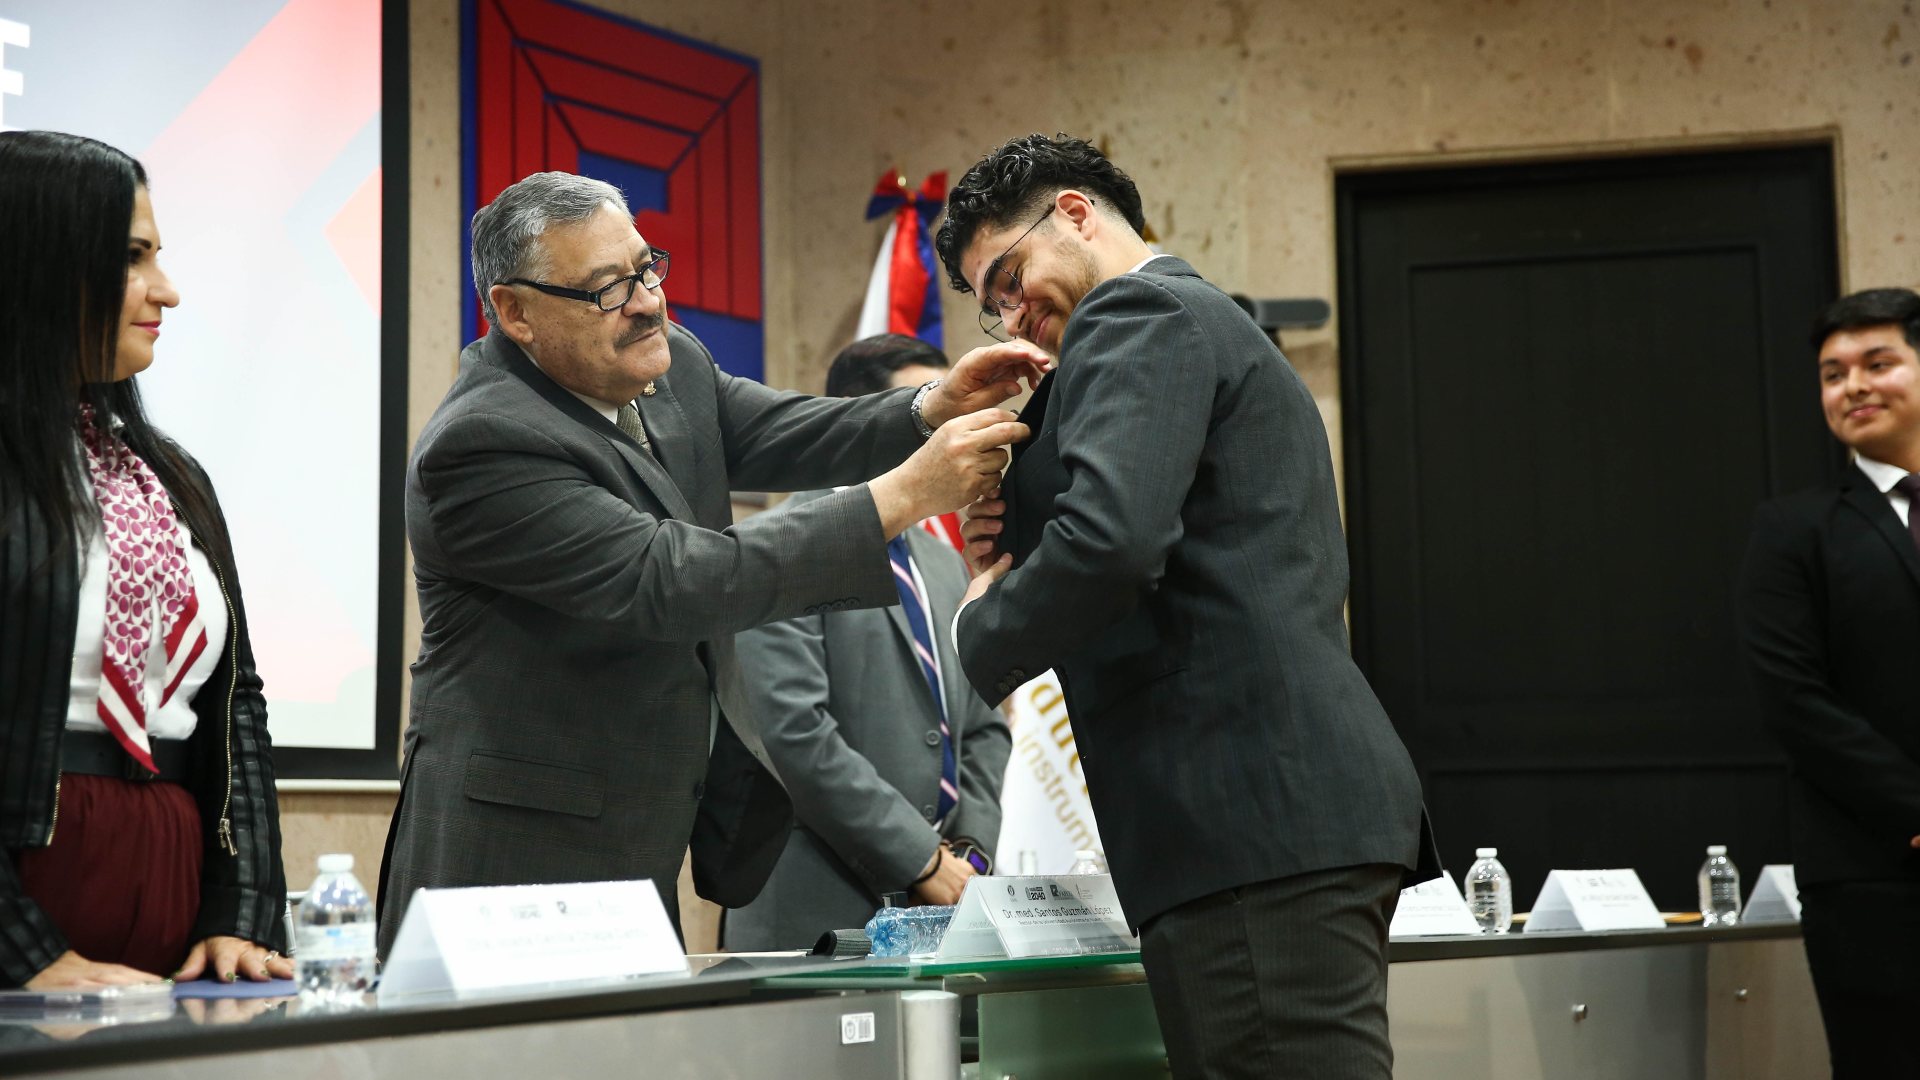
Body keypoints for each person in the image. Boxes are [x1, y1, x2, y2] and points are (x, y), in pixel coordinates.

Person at [379, 173, 1044, 953]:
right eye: (606, 289)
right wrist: (902, 496)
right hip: (510, 858)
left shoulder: (666, 365)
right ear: (514, 311)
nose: (646, 303)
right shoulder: (481, 443)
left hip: (639, 839)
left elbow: (783, 431)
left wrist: (929, 407)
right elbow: (675, 578)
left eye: (646, 268)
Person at [934, 134, 1430, 1079]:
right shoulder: (1188, 319)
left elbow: (1112, 543)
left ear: (1074, 213)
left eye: (1009, 278)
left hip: (1245, 816)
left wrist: (979, 624)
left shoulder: (1139, 310)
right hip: (1269, 815)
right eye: (989, 304)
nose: (1009, 316)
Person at [0, 131, 289, 989]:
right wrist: (24, 955)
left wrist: (240, 914)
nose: (167, 289)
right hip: (33, 893)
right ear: (37, 259)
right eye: (132, 257)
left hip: (174, 890)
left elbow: (237, 703)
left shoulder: (170, 474)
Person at [722, 335, 1011, 951]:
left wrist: (969, 853)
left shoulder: (944, 562)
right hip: (818, 910)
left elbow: (985, 723)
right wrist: (920, 860)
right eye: (929, 416)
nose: (947, 438)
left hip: (953, 907)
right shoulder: (778, 546)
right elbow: (793, 733)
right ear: (864, 421)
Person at [1738, 287, 1920, 1079]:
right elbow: (1793, 699)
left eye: (1878, 363)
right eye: (1833, 373)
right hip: (1874, 868)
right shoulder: (1793, 528)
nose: (1854, 386)